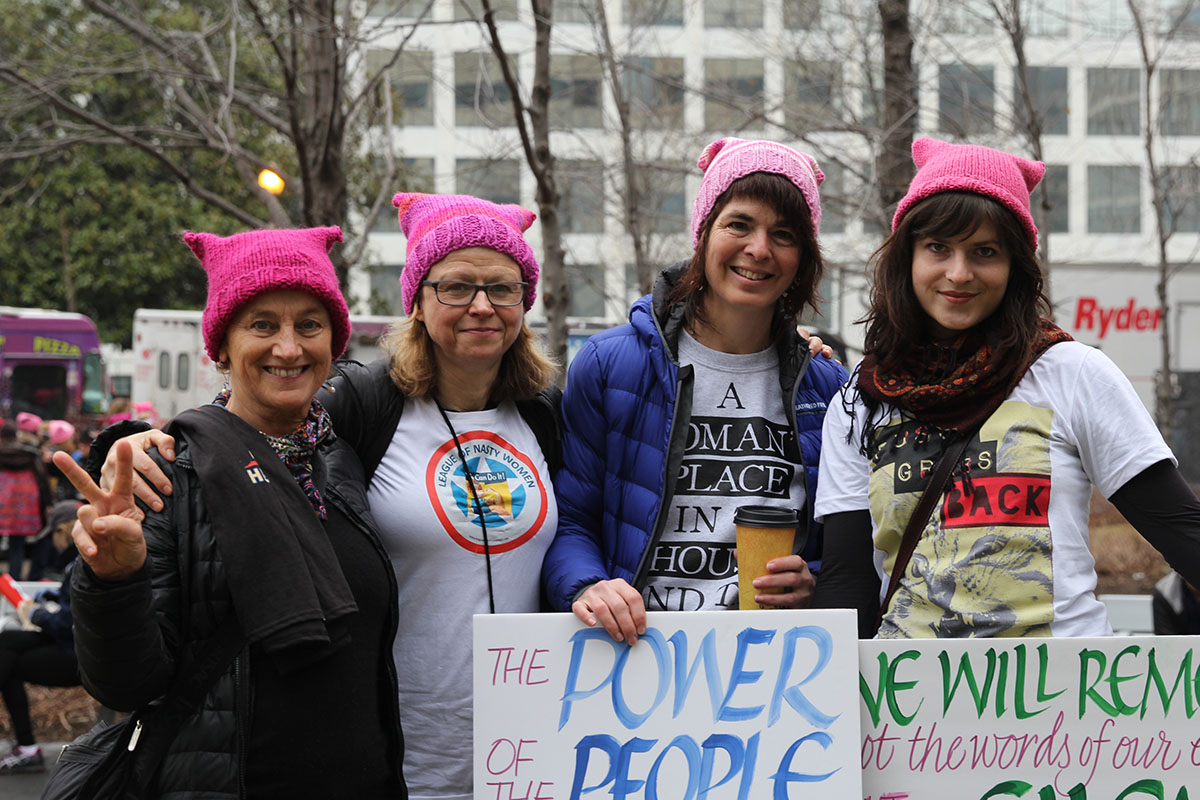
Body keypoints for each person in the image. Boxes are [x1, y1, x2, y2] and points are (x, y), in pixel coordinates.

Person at [98, 195, 560, 800]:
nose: (481, 305)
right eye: (454, 286)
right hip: (390, 753)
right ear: (418, 300)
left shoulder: (546, 413)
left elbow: (579, 528)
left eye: (502, 288)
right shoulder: (367, 407)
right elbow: (251, 423)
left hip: (514, 753)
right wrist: (142, 442)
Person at [53, 226, 407, 797]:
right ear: (221, 347)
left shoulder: (342, 459)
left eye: (309, 325)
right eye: (262, 325)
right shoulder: (167, 478)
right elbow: (125, 685)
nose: (288, 348)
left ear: (334, 342)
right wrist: (114, 581)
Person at [813, 137, 1200, 639]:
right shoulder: (861, 400)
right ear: (906, 257)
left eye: (985, 252)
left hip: (1065, 683)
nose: (959, 273)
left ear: (1015, 266)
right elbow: (848, 585)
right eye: (938, 247)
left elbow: (1180, 530)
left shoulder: (1072, 373)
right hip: (909, 685)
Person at [541, 137, 849, 644]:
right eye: (739, 225)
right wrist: (588, 585)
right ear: (703, 233)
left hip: (772, 661)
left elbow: (845, 548)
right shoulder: (609, 365)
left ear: (803, 257)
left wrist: (813, 581)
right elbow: (571, 520)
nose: (759, 249)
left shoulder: (828, 387)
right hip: (632, 657)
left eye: (784, 234)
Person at [0, 558, 81, 775]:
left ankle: (27, 749)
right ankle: (27, 749)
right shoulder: (85, 558)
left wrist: (37, 614)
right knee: (6, 642)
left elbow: (67, 624)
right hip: (74, 642)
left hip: (83, 655)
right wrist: (49, 597)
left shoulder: (89, 560)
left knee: (8, 661)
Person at [0, 421, 50, 580]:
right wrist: (46, 503)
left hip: (2, 504)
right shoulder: (30, 454)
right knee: (17, 545)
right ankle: (15, 580)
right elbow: (42, 480)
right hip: (23, 507)